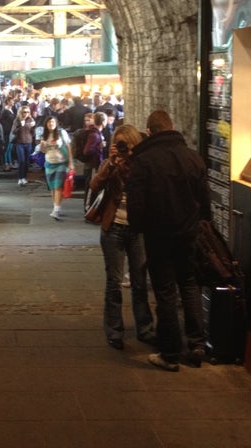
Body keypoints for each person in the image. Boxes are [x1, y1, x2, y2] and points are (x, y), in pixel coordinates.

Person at [127, 110, 211, 372]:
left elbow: (137, 204)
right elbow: (205, 202)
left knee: (165, 291)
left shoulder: (144, 161)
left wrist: (138, 228)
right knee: (189, 285)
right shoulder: (192, 157)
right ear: (172, 127)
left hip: (158, 235)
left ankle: (171, 353)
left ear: (150, 132)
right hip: (188, 234)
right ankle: (197, 345)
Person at [88, 124, 155, 350]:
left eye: (128, 144)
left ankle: (145, 328)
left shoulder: (143, 164)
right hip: (113, 227)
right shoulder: (112, 164)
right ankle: (114, 330)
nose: (125, 148)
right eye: (120, 144)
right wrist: (111, 164)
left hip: (137, 229)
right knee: (114, 282)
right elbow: (94, 185)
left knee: (139, 282)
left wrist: (135, 161)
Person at [39, 116, 74, 220]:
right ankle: (55, 206)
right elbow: (43, 151)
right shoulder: (44, 135)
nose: (51, 124)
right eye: (49, 122)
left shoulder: (61, 133)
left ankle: (57, 209)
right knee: (52, 187)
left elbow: (68, 147)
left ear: (56, 123)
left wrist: (71, 162)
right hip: (49, 163)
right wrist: (42, 145)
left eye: (53, 122)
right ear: (46, 124)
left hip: (61, 163)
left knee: (58, 186)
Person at [11, 105, 36, 186]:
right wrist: (19, 126)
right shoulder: (17, 120)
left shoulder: (30, 120)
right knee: (21, 161)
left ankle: (24, 177)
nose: (26, 114)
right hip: (19, 143)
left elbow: (33, 133)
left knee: (27, 162)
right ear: (20, 112)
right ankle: (20, 178)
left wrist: (33, 127)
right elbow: (13, 131)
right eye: (24, 112)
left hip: (28, 143)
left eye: (27, 112)